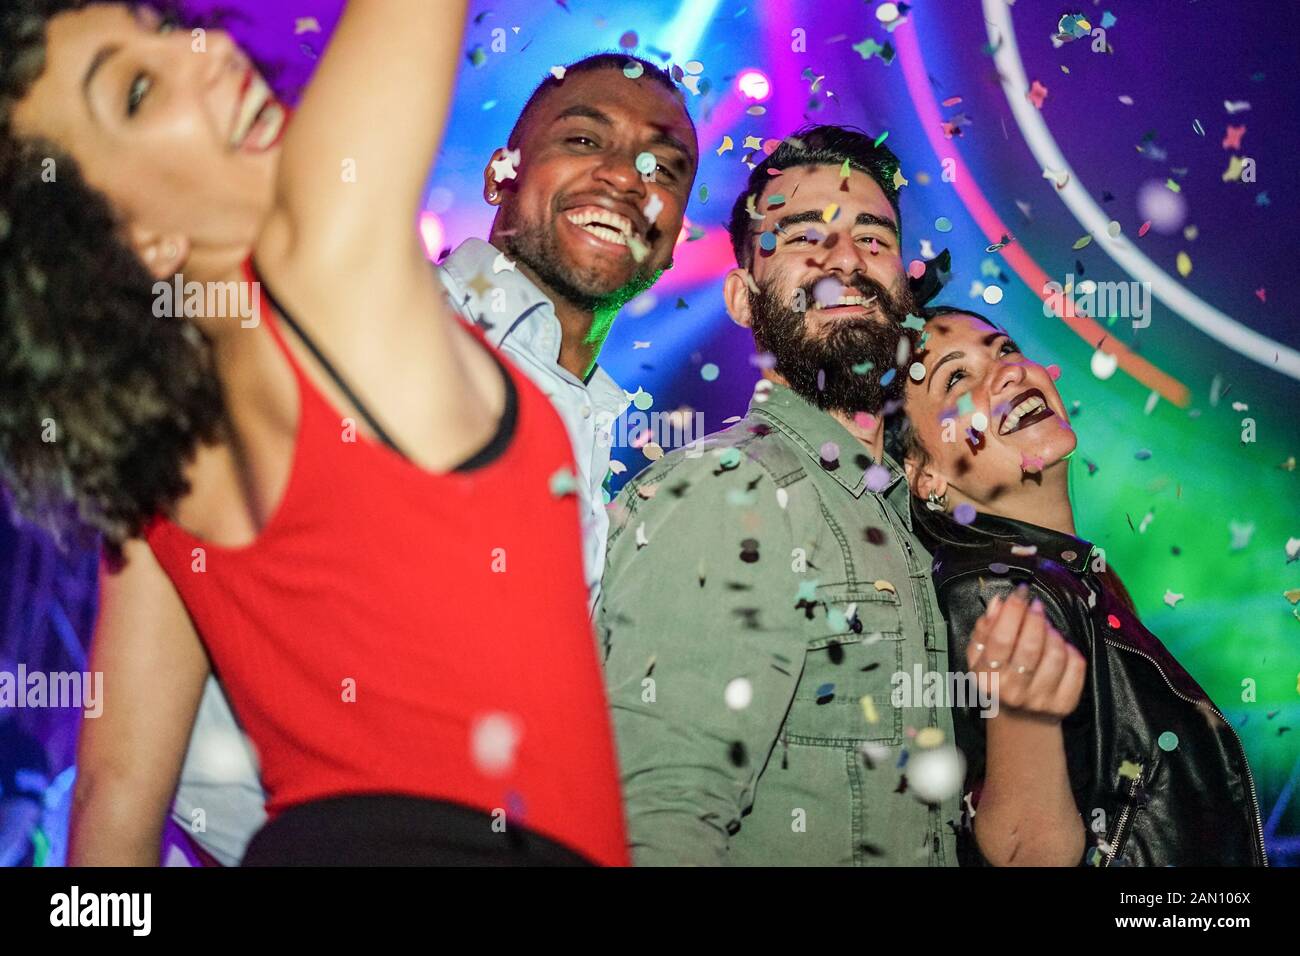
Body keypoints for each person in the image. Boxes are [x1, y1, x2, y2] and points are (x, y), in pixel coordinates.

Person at [1, 0, 626, 865]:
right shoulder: (326, 260)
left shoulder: (159, 462)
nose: (205, 49)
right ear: (134, 238)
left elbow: (110, 817)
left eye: (161, 23)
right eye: (141, 89)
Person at [172, 50, 700, 866]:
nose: (628, 177)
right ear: (500, 174)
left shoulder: (607, 454)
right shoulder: (375, 325)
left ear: (671, 243)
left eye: (661, 165)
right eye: (586, 140)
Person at [597, 125, 966, 865]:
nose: (844, 262)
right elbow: (661, 825)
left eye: (874, 239)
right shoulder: (730, 491)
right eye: (802, 239)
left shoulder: (889, 514)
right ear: (741, 296)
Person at [893, 306, 1268, 866]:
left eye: (1005, 350)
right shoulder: (998, 590)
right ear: (926, 475)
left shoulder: (1061, 578)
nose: (1010, 372)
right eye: (957, 377)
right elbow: (1025, 850)